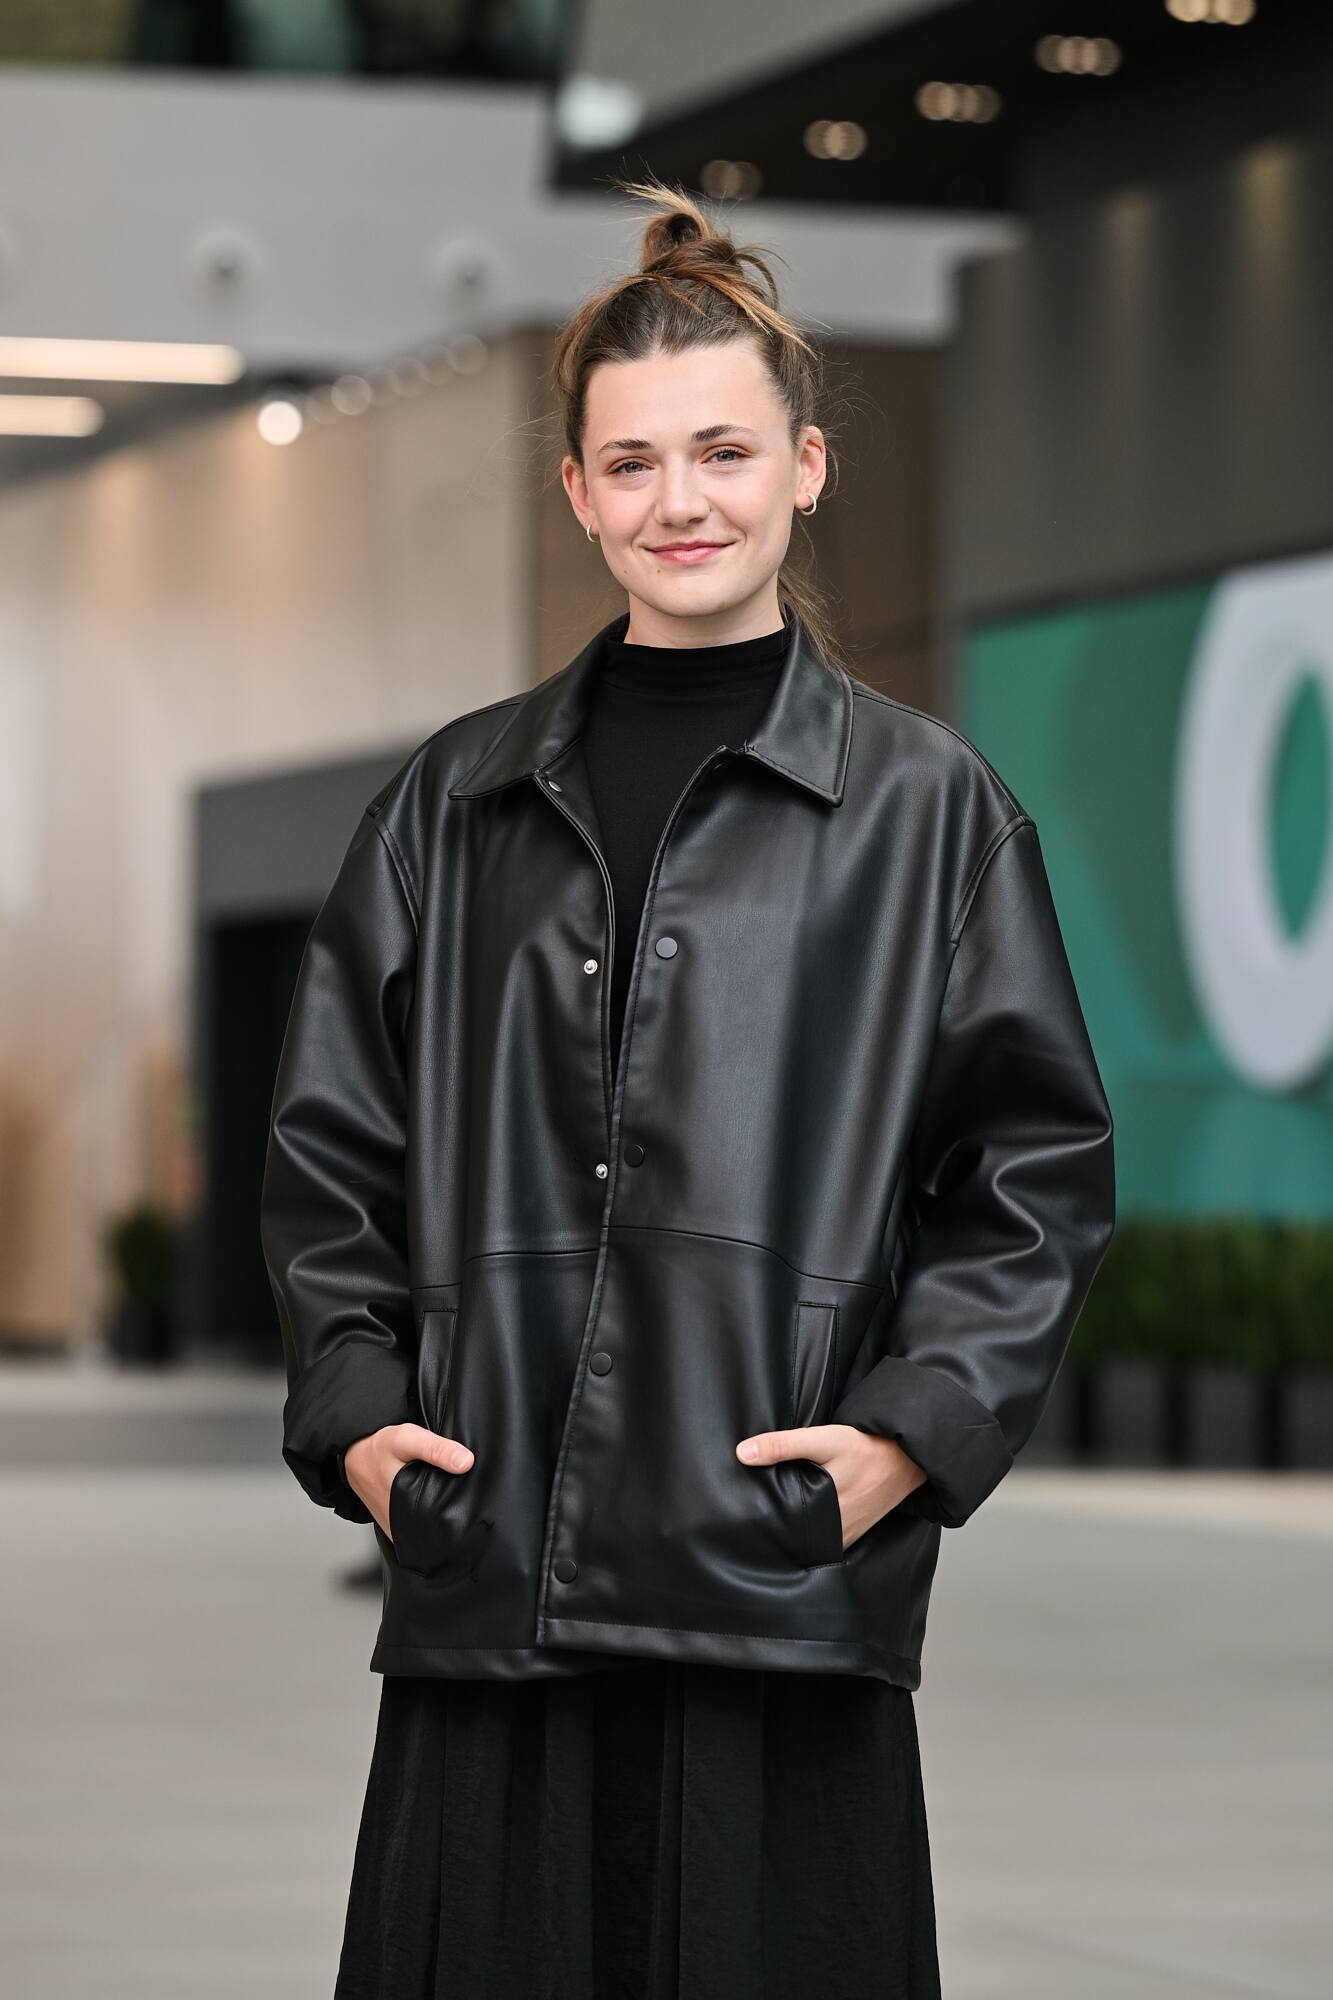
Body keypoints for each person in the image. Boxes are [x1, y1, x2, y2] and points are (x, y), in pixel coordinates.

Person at [262, 176, 1115, 1999]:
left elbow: (1032, 1173)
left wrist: (906, 1442)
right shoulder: (452, 803)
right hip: (491, 1574)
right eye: (632, 463)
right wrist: (353, 1412)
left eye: (721, 450)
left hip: (772, 1579)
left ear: (805, 466)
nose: (681, 501)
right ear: (575, 493)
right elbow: (333, 1142)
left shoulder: (926, 815)